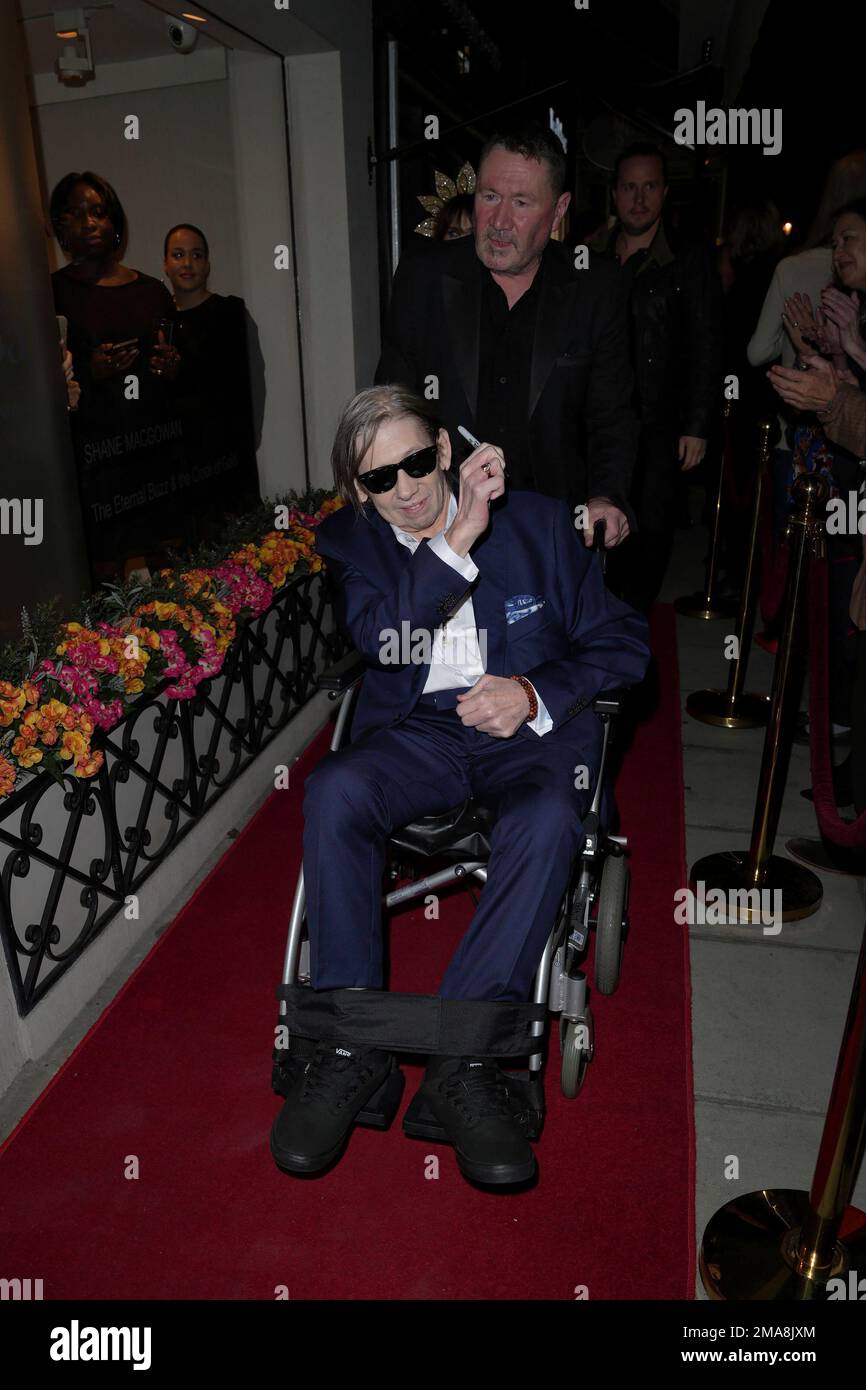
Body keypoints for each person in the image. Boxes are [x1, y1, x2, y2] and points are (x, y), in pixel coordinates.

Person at [270, 384, 649, 1187]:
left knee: (551, 813)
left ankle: (468, 1066)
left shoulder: (546, 523)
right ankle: (348, 1046)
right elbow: (386, 641)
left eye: (416, 461)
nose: (405, 489)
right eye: (380, 479)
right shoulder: (352, 545)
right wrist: (455, 541)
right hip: (421, 734)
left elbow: (624, 643)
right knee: (335, 789)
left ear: (443, 449)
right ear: (357, 492)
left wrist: (535, 694)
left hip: (528, 732)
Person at [376, 123, 638, 549]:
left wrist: (605, 496)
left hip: (552, 529)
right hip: (445, 525)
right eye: (490, 196)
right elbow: (392, 403)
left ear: (558, 211)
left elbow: (612, 415)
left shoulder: (596, 287)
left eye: (521, 203)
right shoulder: (423, 276)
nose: (498, 221)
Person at [592, 142, 722, 611]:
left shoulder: (686, 259)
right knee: (598, 526)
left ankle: (630, 621)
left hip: (660, 424)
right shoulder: (591, 255)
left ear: (665, 193)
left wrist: (697, 424)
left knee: (649, 528)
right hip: (601, 421)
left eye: (649, 187)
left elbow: (707, 341)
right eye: (629, 187)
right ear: (615, 193)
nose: (639, 199)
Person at [49, 170, 182, 583]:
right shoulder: (48, 292)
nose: (89, 222)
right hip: (93, 456)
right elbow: (35, 382)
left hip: (152, 447)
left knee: (170, 572)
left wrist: (168, 367)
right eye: (75, 214)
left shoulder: (152, 291)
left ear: (116, 223)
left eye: (99, 212)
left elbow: (172, 367)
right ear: (60, 227)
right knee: (103, 575)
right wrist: (90, 372)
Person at [163, 223, 261, 532]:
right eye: (178, 255)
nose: (187, 263)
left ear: (208, 264)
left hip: (227, 458)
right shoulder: (158, 322)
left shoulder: (231, 313)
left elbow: (253, 385)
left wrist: (242, 445)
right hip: (177, 466)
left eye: (196, 255)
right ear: (165, 264)